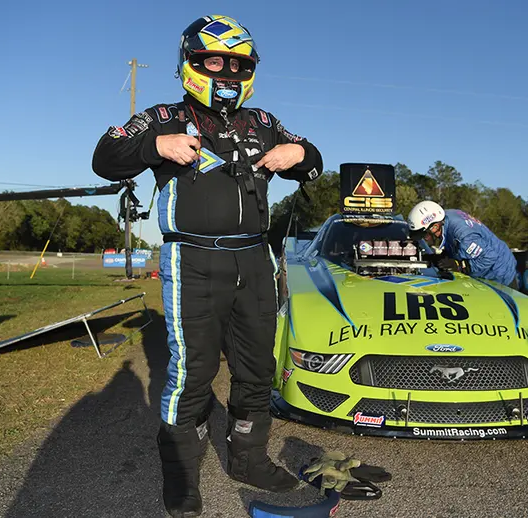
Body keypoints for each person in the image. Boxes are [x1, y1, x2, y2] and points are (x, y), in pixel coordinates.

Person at [92, 14, 323, 518]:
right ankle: (179, 468)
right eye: (213, 61)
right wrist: (156, 146)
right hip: (190, 256)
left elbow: (316, 161)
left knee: (257, 365)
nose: (225, 72)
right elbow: (105, 157)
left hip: (254, 258)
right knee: (192, 371)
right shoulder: (163, 116)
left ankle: (248, 458)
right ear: (191, 64)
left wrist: (297, 152)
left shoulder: (263, 122)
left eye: (237, 64)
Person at [407, 200, 517, 287]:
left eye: (424, 235)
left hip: (501, 275)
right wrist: (440, 257)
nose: (425, 239)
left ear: (435, 226)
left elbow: (489, 257)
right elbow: (456, 248)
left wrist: (460, 266)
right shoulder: (447, 217)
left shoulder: (463, 236)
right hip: (489, 271)